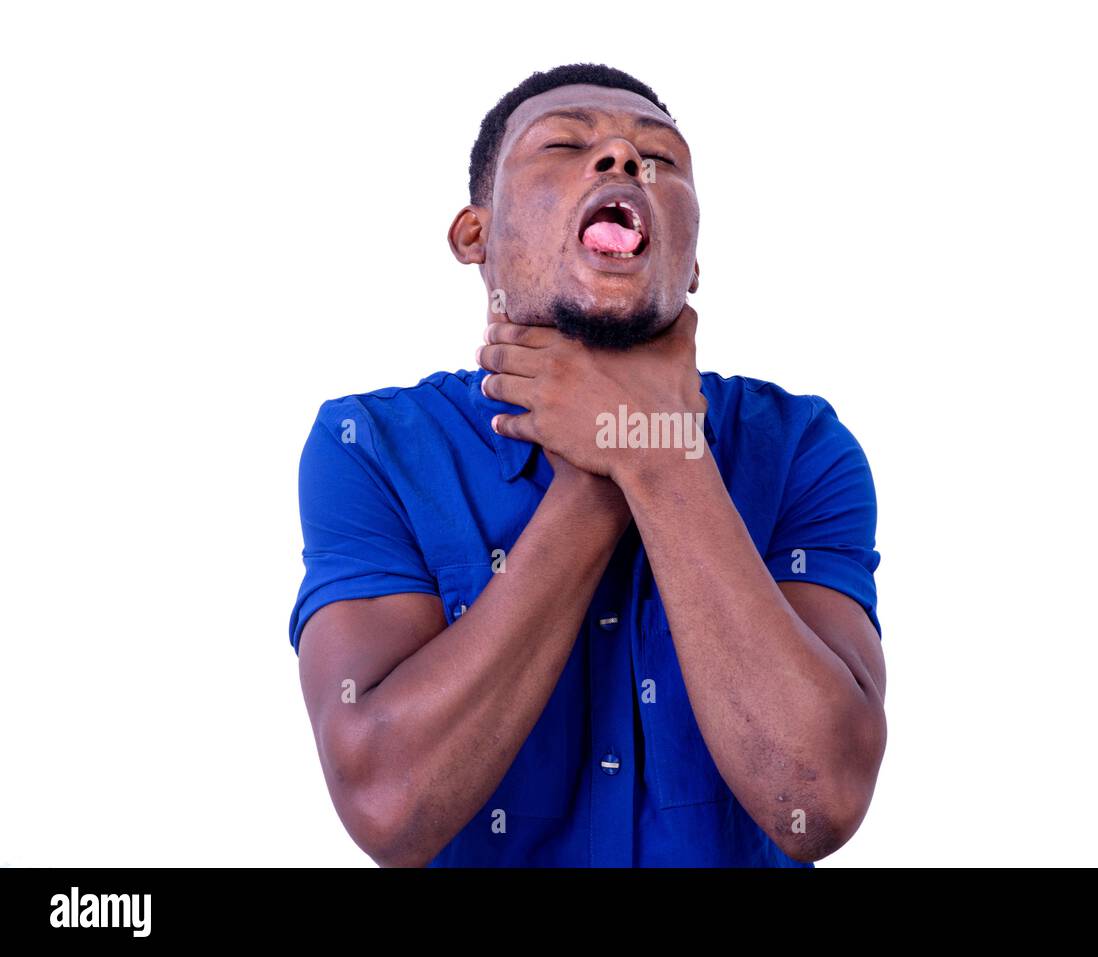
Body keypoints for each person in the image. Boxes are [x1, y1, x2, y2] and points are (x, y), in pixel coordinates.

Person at [288, 63, 886, 867]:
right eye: (566, 143)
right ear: (476, 234)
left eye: (661, 159)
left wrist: (658, 455)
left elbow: (820, 801)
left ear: (694, 259)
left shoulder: (802, 446)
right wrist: (606, 465)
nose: (622, 160)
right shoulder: (371, 447)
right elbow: (390, 805)